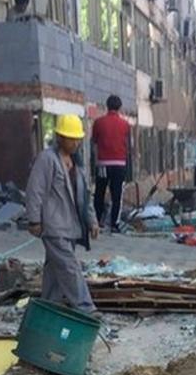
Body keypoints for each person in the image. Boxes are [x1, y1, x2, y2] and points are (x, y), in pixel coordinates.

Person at [26, 114, 99, 315]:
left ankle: (48, 307)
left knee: (54, 272)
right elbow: (35, 190)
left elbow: (85, 197)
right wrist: (34, 220)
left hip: (72, 227)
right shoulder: (47, 160)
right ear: (59, 137)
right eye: (71, 138)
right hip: (54, 227)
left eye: (77, 138)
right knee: (69, 268)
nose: (75, 142)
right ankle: (86, 308)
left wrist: (92, 221)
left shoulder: (78, 164)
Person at [92, 95, 131, 232]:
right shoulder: (125, 125)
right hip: (119, 164)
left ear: (106, 106)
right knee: (117, 196)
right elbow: (128, 146)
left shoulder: (98, 122)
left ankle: (96, 221)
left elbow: (94, 143)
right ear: (119, 108)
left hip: (103, 164)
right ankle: (114, 224)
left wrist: (96, 163)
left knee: (99, 193)